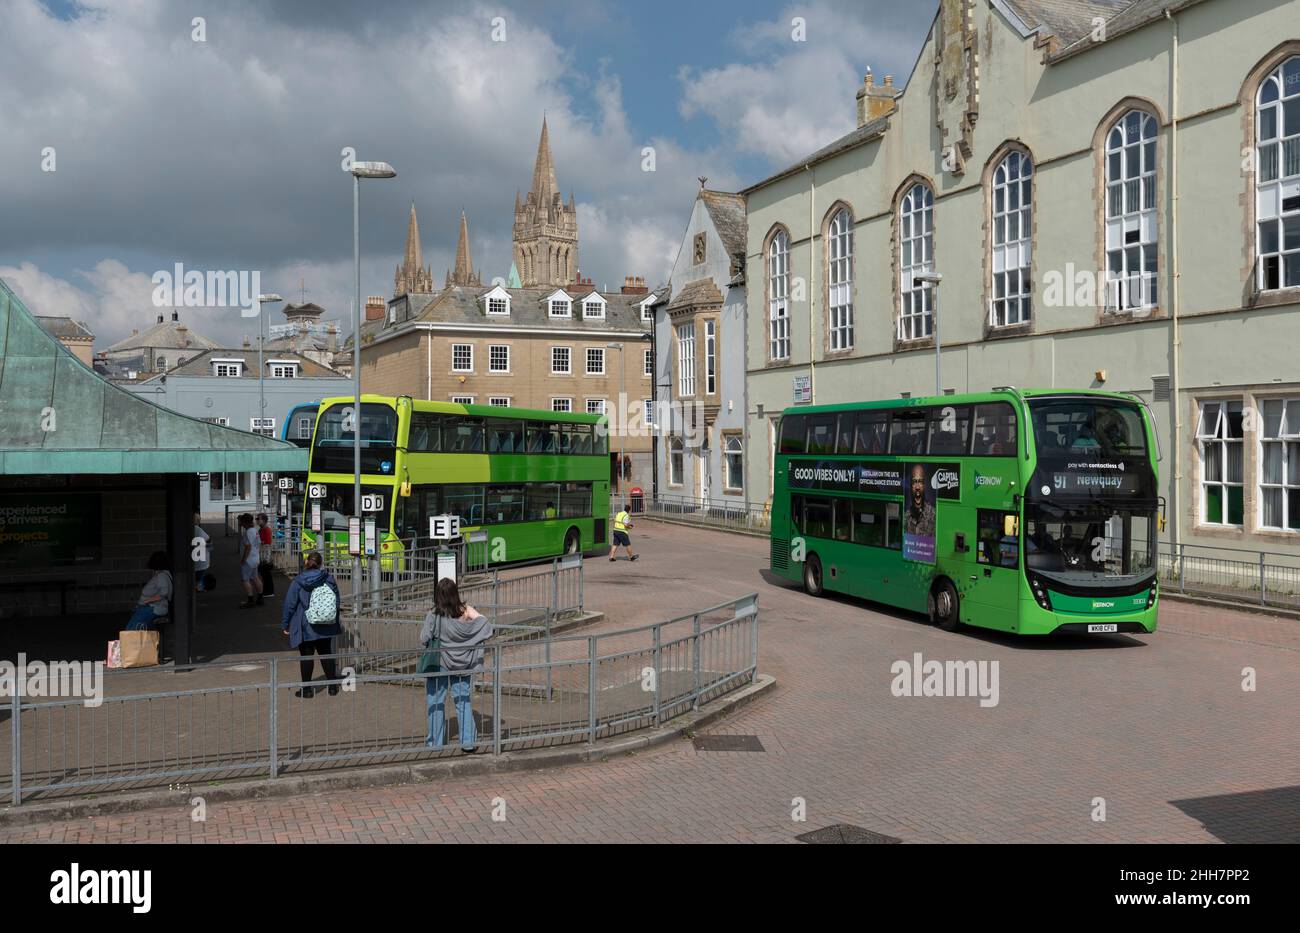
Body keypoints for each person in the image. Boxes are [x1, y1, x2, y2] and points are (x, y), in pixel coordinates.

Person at [420, 578, 492, 751]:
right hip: (464, 665)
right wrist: (469, 611)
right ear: (455, 593)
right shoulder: (465, 611)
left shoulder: (434, 615)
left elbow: (423, 639)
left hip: (440, 664)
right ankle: (468, 743)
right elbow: (485, 624)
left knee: (435, 702)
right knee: (463, 702)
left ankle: (435, 743)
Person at [280, 551, 342, 698]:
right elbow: (337, 600)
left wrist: (285, 624)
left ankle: (307, 690)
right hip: (326, 623)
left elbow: (290, 604)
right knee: (326, 653)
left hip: (305, 623)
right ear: (320, 564)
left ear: (307, 562)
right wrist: (332, 617)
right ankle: (333, 687)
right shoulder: (329, 578)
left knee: (307, 656)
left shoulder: (298, 580)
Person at [126, 551, 172, 630]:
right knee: (135, 624)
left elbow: (163, 593)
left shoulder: (161, 576)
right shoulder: (163, 574)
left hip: (154, 608)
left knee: (132, 627)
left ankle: (127, 641)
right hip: (151, 607)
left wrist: (147, 601)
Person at [237, 513, 263, 608]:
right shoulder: (255, 530)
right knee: (255, 578)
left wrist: (243, 559)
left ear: (245, 522)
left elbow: (248, 546)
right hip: (255, 558)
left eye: (241, 522)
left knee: (245, 580)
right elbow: (258, 543)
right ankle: (260, 597)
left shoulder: (248, 532)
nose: (240, 523)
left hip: (248, 560)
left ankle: (250, 600)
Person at [904, 464, 936, 537]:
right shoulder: (906, 516)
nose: (917, 487)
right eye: (914, 481)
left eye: (920, 481)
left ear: (924, 485)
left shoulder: (934, 515)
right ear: (910, 485)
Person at [193, 514, 210, 591]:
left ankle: (197, 587)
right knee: (199, 576)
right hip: (201, 560)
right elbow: (209, 543)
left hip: (195, 559)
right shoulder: (198, 530)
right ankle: (198, 587)